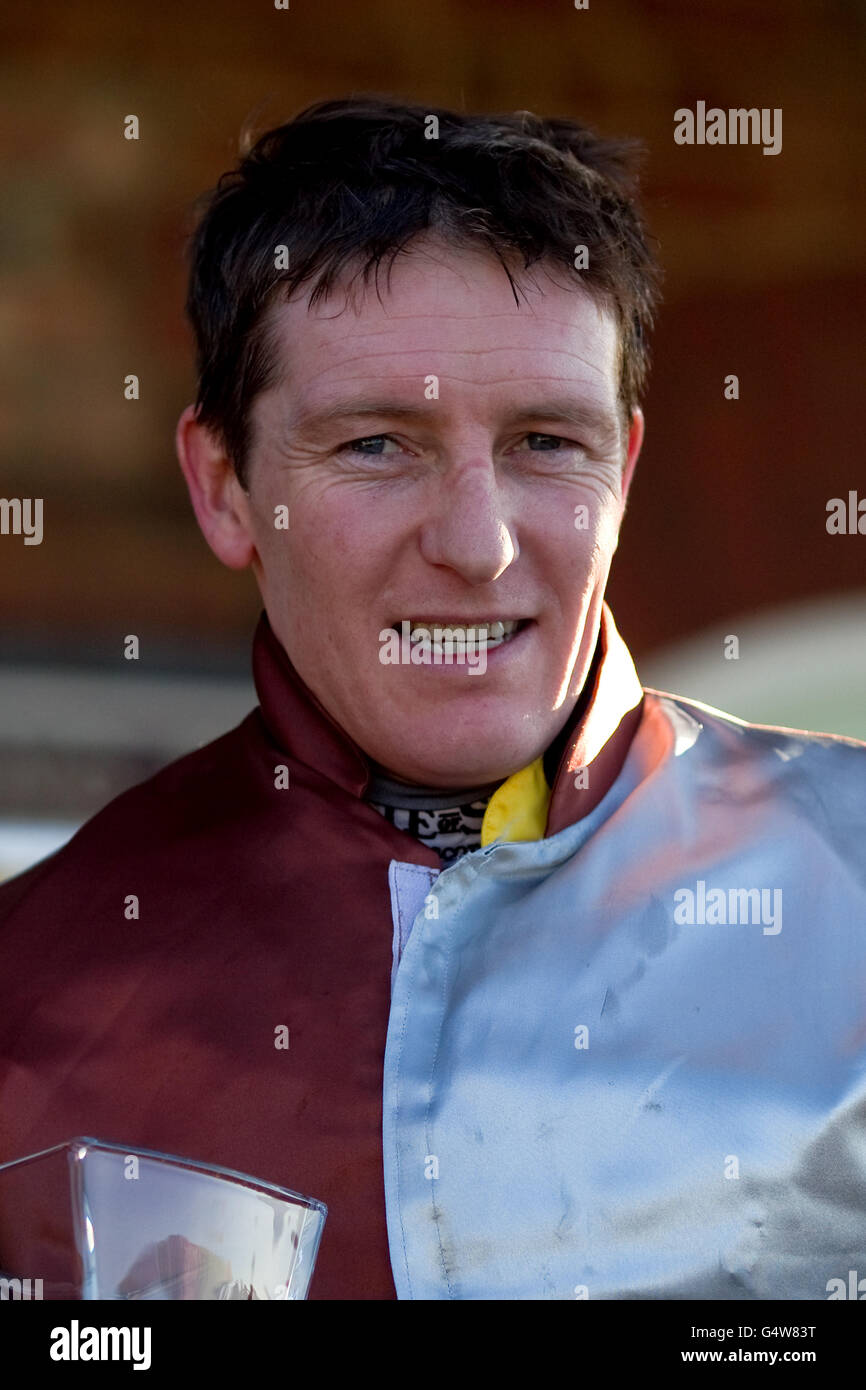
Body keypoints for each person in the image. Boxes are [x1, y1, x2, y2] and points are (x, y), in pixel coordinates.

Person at [0, 96, 864, 1302]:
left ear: (622, 468)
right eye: (375, 445)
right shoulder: (28, 987)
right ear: (224, 488)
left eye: (544, 443)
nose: (478, 544)